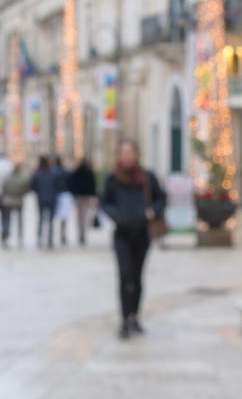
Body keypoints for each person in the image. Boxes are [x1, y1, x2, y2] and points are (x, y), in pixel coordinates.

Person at [100, 140, 167, 339]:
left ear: (137, 154)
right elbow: (105, 202)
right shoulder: (113, 178)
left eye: (130, 152)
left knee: (137, 276)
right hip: (122, 234)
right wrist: (116, 215)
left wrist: (151, 212)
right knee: (124, 274)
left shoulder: (147, 177)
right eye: (124, 152)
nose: (127, 156)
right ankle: (123, 318)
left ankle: (134, 317)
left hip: (142, 234)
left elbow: (161, 198)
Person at [0, 163, 31, 248]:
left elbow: (3, 188)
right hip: (18, 201)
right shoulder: (22, 179)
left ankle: (5, 235)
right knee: (19, 220)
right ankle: (20, 237)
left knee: (6, 219)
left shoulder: (7, 178)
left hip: (7, 201)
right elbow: (26, 189)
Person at [68, 158, 98, 246]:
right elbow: (93, 184)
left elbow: (72, 183)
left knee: (80, 216)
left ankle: (81, 233)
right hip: (85, 196)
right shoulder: (89, 172)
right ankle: (83, 233)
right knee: (84, 216)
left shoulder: (77, 172)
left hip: (79, 196)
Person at [30, 156, 56, 248]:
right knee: (50, 220)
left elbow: (32, 186)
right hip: (52, 199)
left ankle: (40, 238)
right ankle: (50, 239)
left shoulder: (37, 173)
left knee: (41, 219)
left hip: (41, 199)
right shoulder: (52, 173)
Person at [51, 156, 74, 246]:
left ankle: (52, 235)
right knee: (64, 217)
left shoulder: (52, 172)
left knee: (53, 216)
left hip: (56, 195)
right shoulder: (65, 172)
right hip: (65, 194)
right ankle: (62, 234)